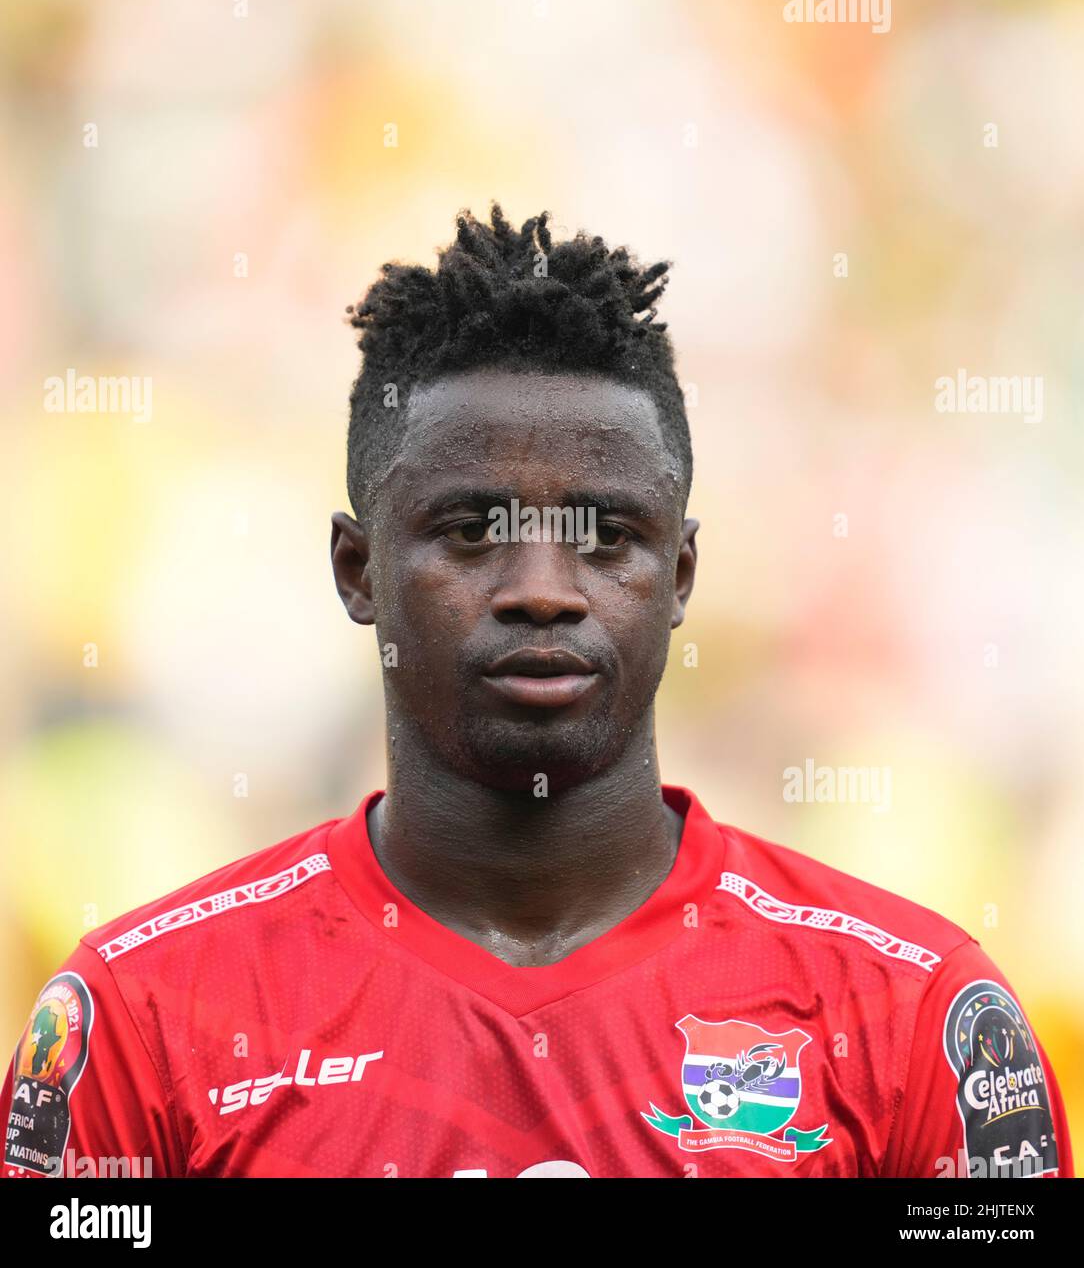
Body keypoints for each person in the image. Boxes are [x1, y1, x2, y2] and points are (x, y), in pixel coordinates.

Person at [2, 206, 1071, 1178]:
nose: (543, 591)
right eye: (471, 532)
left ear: (681, 577)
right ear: (355, 571)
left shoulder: (905, 1013)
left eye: (606, 536)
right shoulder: (145, 1022)